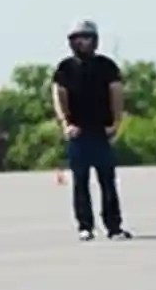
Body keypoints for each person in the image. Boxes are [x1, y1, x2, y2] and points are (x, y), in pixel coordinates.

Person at [53, 19, 133, 241]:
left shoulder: (106, 66)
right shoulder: (65, 68)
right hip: (78, 132)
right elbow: (59, 95)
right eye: (77, 38)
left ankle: (114, 227)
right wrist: (65, 123)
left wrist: (116, 123)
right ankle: (85, 226)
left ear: (95, 40)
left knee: (108, 180)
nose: (82, 42)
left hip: (101, 131)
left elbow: (116, 92)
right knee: (80, 182)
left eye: (86, 37)